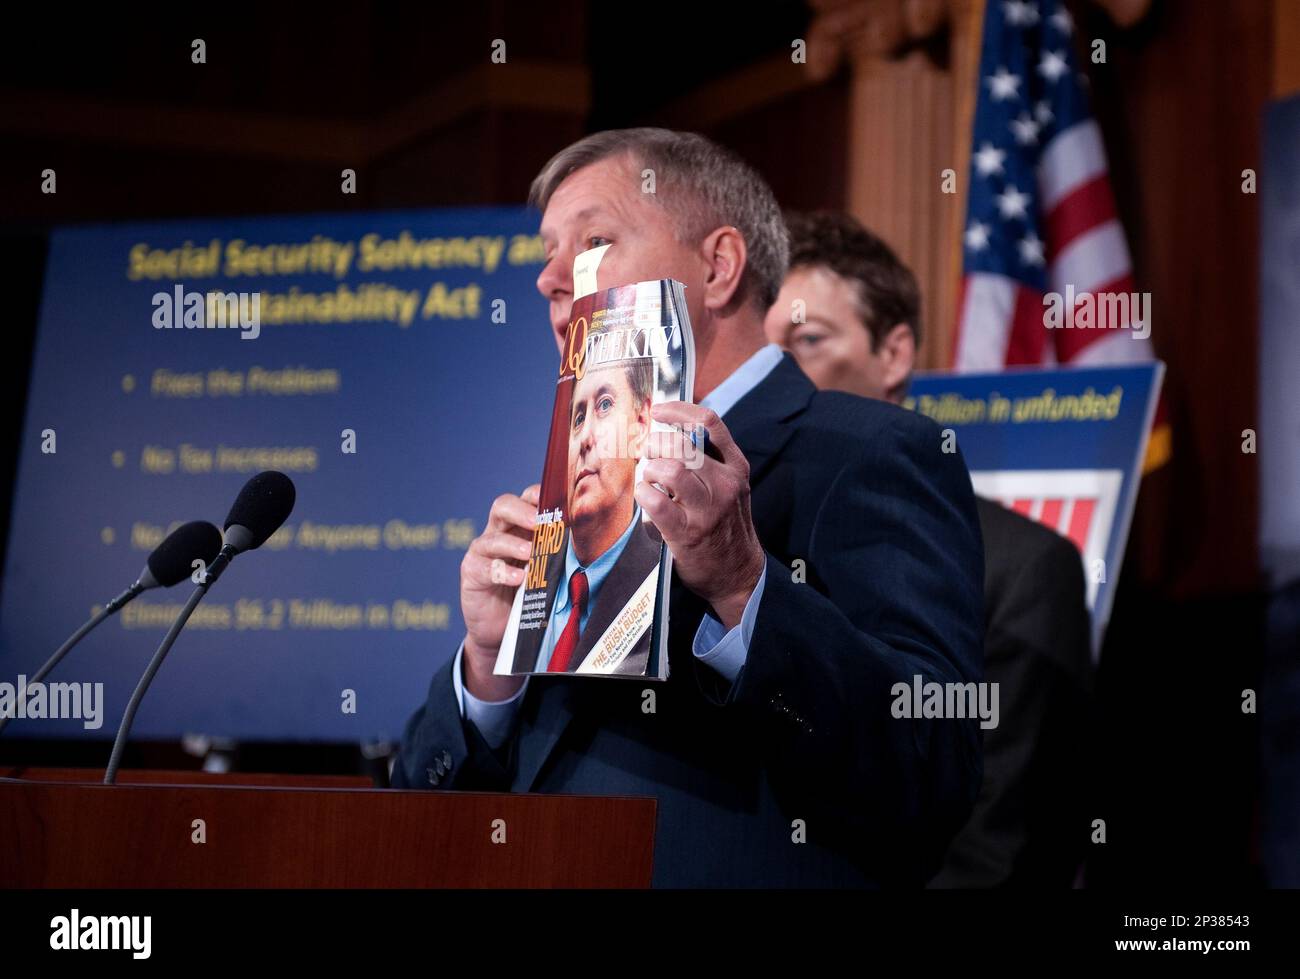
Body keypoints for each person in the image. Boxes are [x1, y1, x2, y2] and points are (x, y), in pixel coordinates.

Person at [391, 130, 985, 887]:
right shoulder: (572, 480)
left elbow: (934, 773)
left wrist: (745, 589)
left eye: (593, 240)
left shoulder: (871, 451)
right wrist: (487, 670)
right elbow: (417, 806)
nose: (549, 279)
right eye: (547, 252)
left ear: (717, 266)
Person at [765, 210, 1092, 887]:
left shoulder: (1024, 569)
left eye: (808, 341)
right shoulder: (729, 552)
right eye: (762, 352)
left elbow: (994, 852)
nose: (777, 374)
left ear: (895, 355)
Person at [524, 351, 663, 675]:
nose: (585, 438)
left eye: (604, 405)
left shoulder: (673, 568)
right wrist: (484, 652)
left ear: (641, 425)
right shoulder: (527, 570)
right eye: (577, 418)